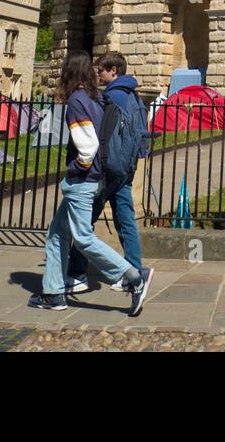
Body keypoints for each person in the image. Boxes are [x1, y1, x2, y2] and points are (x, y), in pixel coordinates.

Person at [30, 51, 141, 313]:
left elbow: (88, 147)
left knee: (82, 237)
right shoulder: (96, 98)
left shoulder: (78, 101)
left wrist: (76, 171)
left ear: (69, 72)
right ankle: (54, 294)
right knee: (56, 235)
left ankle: (132, 277)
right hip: (96, 178)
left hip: (82, 180)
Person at [67, 52, 153, 312]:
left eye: (102, 70)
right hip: (125, 168)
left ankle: (77, 274)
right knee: (125, 218)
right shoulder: (133, 95)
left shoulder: (112, 97)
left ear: (114, 70)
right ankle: (135, 268)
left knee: (85, 224)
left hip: (109, 170)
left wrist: (99, 168)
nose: (98, 74)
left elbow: (102, 137)